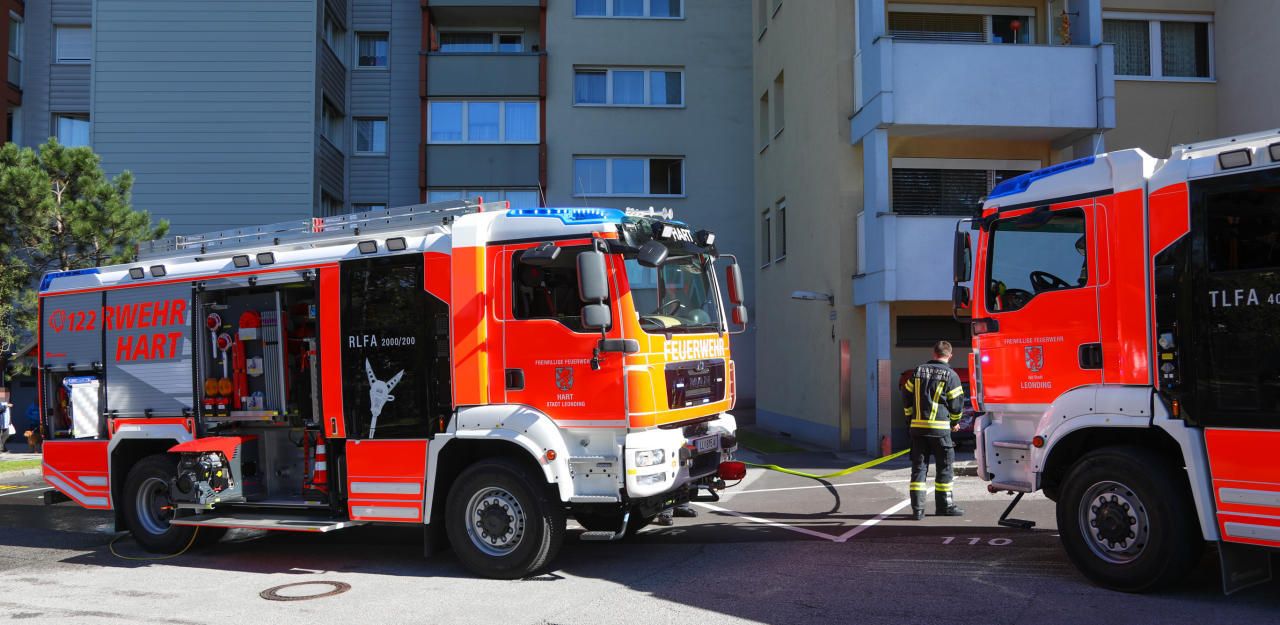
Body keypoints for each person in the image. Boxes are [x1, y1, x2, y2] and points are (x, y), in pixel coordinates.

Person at [902, 341, 966, 520]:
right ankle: (944, 507)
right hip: (940, 431)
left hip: (917, 429)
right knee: (944, 467)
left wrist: (909, 418)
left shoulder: (918, 371)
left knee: (918, 468)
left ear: (934, 353)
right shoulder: (951, 375)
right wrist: (955, 422)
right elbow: (956, 403)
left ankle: (918, 510)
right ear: (950, 355)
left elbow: (906, 394)